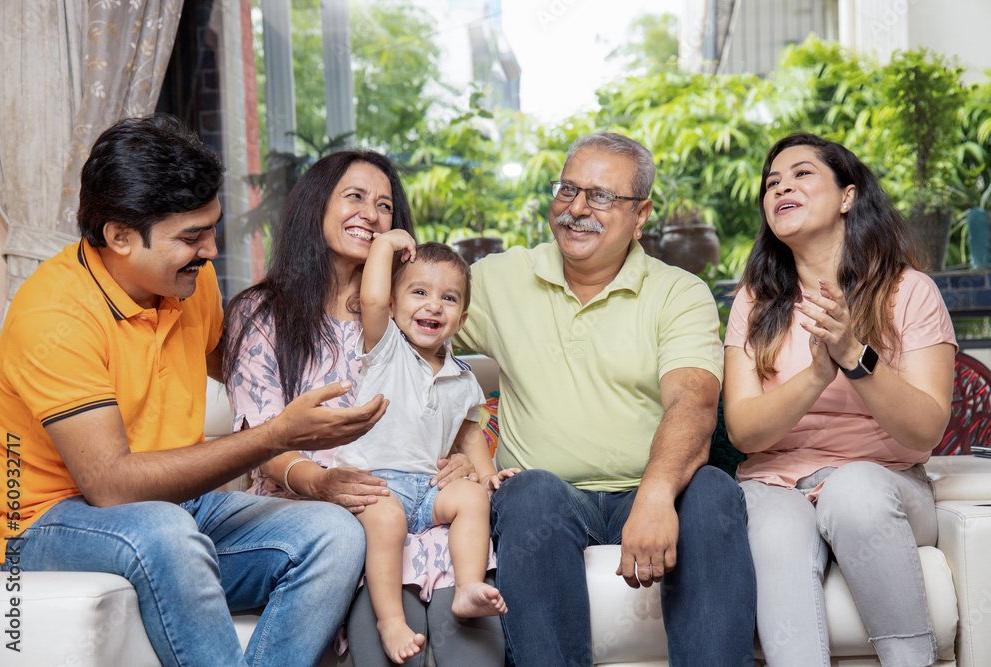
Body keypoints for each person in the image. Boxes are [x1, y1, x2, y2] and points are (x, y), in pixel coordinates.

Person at [0, 115, 382, 666]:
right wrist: (275, 437)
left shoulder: (185, 286)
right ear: (120, 236)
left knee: (335, 534)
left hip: (174, 508)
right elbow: (110, 485)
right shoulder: (53, 315)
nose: (212, 250)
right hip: (39, 523)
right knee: (164, 530)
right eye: (192, 236)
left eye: (213, 228)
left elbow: (255, 370)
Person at [455, 132, 757, 666]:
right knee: (529, 494)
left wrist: (658, 493)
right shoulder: (498, 280)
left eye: (599, 196)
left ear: (640, 216)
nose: (576, 210)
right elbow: (406, 327)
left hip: (648, 486)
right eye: (567, 190)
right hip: (550, 499)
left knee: (711, 492)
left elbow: (692, 402)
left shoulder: (677, 291)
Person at [222, 150, 507, 666]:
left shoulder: (410, 314)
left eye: (385, 205)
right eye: (354, 197)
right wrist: (319, 482)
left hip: (413, 496)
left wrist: (467, 458)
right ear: (316, 205)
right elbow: (256, 441)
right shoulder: (261, 314)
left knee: (465, 626)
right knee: (387, 612)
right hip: (314, 508)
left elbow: (446, 401)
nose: (371, 215)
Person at [723, 132, 956, 667]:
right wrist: (815, 375)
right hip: (776, 482)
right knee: (776, 528)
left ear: (848, 196)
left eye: (802, 173)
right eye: (772, 182)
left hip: (886, 483)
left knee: (852, 490)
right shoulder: (755, 303)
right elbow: (744, 432)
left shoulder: (909, 291)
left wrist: (855, 354)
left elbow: (924, 431)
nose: (782, 186)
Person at [330, 235, 518, 663]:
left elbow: (470, 434)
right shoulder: (386, 349)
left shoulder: (463, 375)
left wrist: (486, 476)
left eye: (448, 299)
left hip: (428, 486)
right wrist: (386, 245)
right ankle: (391, 619)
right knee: (388, 520)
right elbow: (372, 298)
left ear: (462, 317)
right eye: (419, 292)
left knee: (471, 497)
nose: (434, 305)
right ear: (393, 307)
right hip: (376, 482)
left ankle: (468, 586)